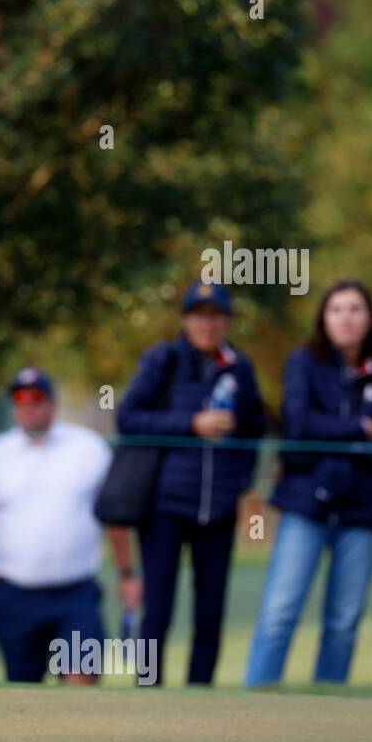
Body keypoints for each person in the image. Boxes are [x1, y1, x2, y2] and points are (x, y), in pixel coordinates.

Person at [245, 280, 372, 686]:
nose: (346, 317)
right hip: (306, 504)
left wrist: (333, 438)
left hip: (363, 510)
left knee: (343, 622)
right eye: (337, 309)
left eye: (355, 308)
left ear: (370, 318)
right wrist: (358, 427)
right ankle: (252, 706)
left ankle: (328, 709)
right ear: (324, 318)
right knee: (279, 613)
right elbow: (297, 427)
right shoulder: (303, 362)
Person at [117, 281, 266, 685]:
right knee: (159, 608)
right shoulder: (163, 360)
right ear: (186, 320)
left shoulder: (240, 367)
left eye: (216, 316)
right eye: (200, 315)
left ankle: (200, 695)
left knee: (211, 611)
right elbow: (128, 419)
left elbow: (256, 427)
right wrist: (190, 424)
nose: (208, 324)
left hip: (218, 508)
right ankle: (147, 691)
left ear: (227, 321)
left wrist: (241, 478)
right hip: (164, 504)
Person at [0, 368, 142, 684]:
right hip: (13, 595)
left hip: (76, 593)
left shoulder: (89, 448)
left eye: (37, 399)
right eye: (20, 400)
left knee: (82, 678)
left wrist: (127, 574)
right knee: (22, 687)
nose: (29, 407)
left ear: (52, 403)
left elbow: (114, 517)